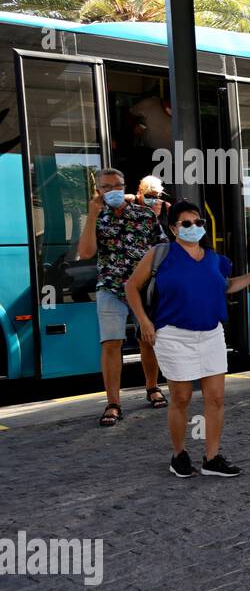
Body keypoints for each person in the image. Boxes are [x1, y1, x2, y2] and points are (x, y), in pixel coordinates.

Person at [124, 201, 250, 478]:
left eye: (198, 222)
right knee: (181, 397)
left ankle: (212, 458)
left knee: (216, 399)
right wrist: (144, 321)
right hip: (173, 336)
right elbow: (132, 285)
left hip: (211, 333)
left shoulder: (213, 258)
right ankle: (179, 454)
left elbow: (227, 286)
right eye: (186, 223)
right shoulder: (160, 254)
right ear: (173, 228)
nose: (194, 227)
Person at [76, 167, 166, 426]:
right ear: (98, 190)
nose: (113, 190)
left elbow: (161, 248)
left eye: (118, 185)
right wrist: (92, 215)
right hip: (110, 287)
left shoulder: (144, 214)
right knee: (111, 343)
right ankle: (113, 403)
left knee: (147, 339)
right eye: (107, 187)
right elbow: (86, 252)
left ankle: (152, 387)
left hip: (143, 288)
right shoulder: (97, 216)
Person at [136, 175, 170, 240]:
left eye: (155, 197)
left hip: (161, 247)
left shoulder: (166, 206)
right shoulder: (133, 202)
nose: (152, 199)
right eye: (148, 196)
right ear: (140, 191)